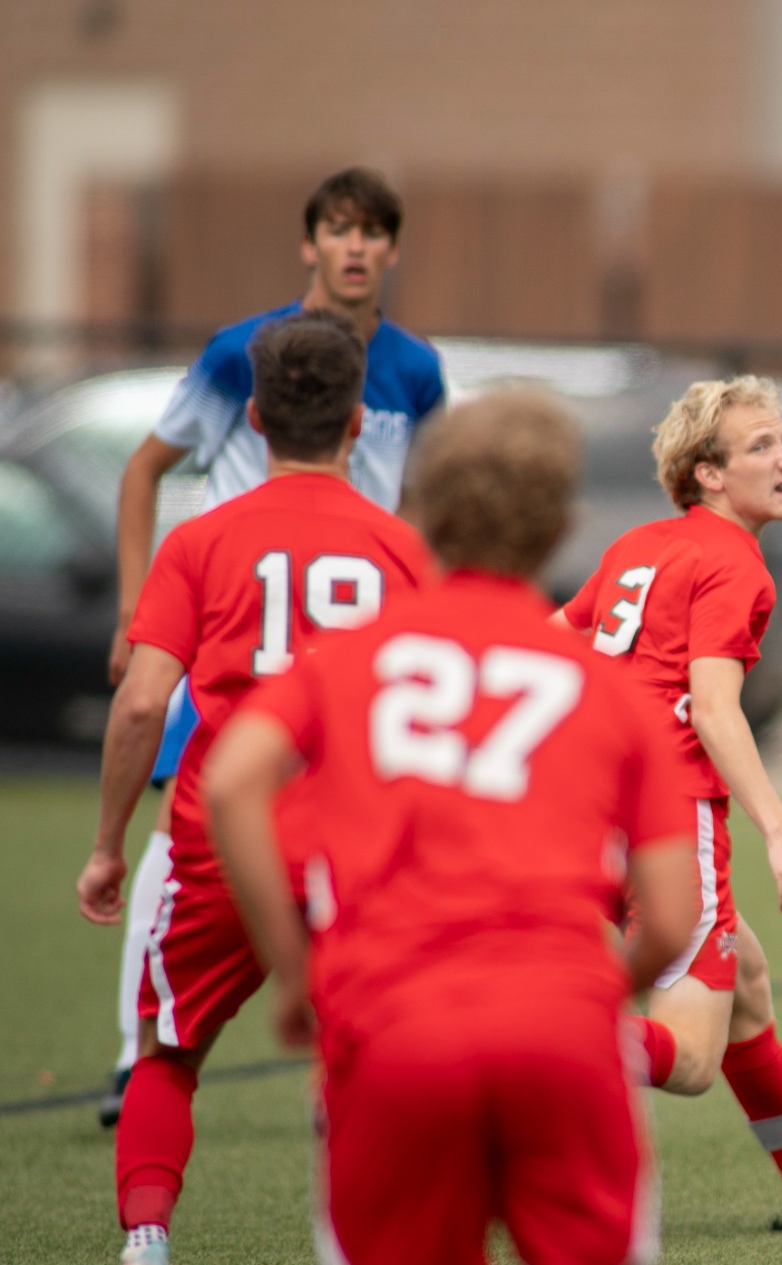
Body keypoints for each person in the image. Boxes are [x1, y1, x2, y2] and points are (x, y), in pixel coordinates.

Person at [206, 391, 700, 1265]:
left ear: (423, 509)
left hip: (393, 1023)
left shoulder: (350, 658)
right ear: (560, 530)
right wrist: (591, 994)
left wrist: (296, 973)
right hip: (561, 1030)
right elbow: (667, 916)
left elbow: (234, 779)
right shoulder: (609, 692)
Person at [74, 313, 434, 1265]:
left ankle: (148, 1238)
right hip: (355, 846)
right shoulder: (402, 549)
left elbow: (144, 701)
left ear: (258, 424)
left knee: (167, 1052)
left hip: (217, 843)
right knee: (364, 1056)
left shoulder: (201, 540)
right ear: (360, 423)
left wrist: (110, 844)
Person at [96, 167, 446, 1127]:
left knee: (345, 846)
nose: (357, 246)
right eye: (340, 228)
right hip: (238, 624)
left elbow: (417, 500)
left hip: (354, 631)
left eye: (374, 231)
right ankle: (141, 1057)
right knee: (186, 824)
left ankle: (339, 1049)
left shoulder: (414, 370)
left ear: (392, 250)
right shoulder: (236, 355)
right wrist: (140, 608)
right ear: (311, 244)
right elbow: (146, 468)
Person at [556, 376, 782, 1232]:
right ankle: (524, 1037)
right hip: (664, 825)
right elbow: (713, 708)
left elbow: (556, 639)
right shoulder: (732, 562)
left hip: (579, 811)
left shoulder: (638, 543)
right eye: (760, 447)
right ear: (707, 473)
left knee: (744, 979)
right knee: (692, 1060)